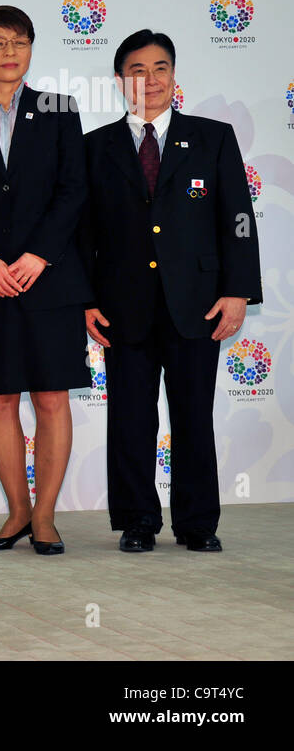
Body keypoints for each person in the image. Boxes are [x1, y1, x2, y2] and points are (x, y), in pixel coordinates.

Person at [81, 30, 260, 553]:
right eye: (137, 69)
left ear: (174, 76)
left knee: (193, 416)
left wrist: (238, 291)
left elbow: (238, 219)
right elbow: (82, 233)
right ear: (120, 80)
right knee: (131, 418)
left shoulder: (213, 137)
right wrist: (87, 299)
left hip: (198, 303)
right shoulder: (95, 147)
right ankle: (137, 521)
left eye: (161, 68)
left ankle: (198, 523)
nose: (150, 79)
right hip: (122, 305)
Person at [0, 6, 89, 556]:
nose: (9, 51)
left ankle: (47, 515)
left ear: (31, 49)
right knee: (0, 400)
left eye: (20, 41)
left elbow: (74, 190)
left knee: (51, 397)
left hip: (48, 280)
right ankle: (18, 512)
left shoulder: (59, 110)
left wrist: (38, 255)